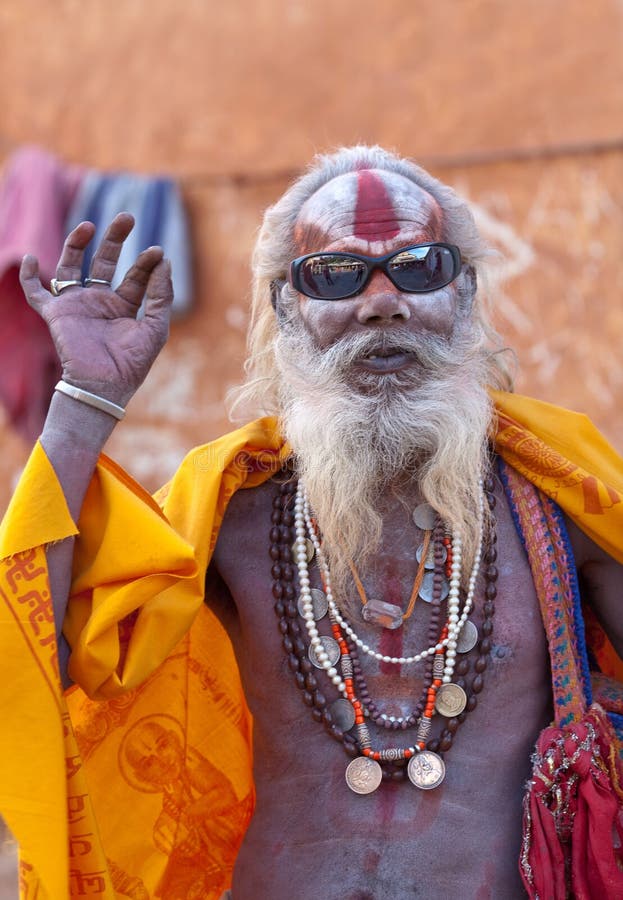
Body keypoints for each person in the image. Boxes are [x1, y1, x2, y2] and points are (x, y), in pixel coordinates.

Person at [1, 145, 622, 900]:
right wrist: (84, 402)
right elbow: (40, 664)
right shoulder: (230, 506)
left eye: (419, 266)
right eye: (337, 275)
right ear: (285, 307)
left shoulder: (562, 493)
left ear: (462, 293)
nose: (382, 302)